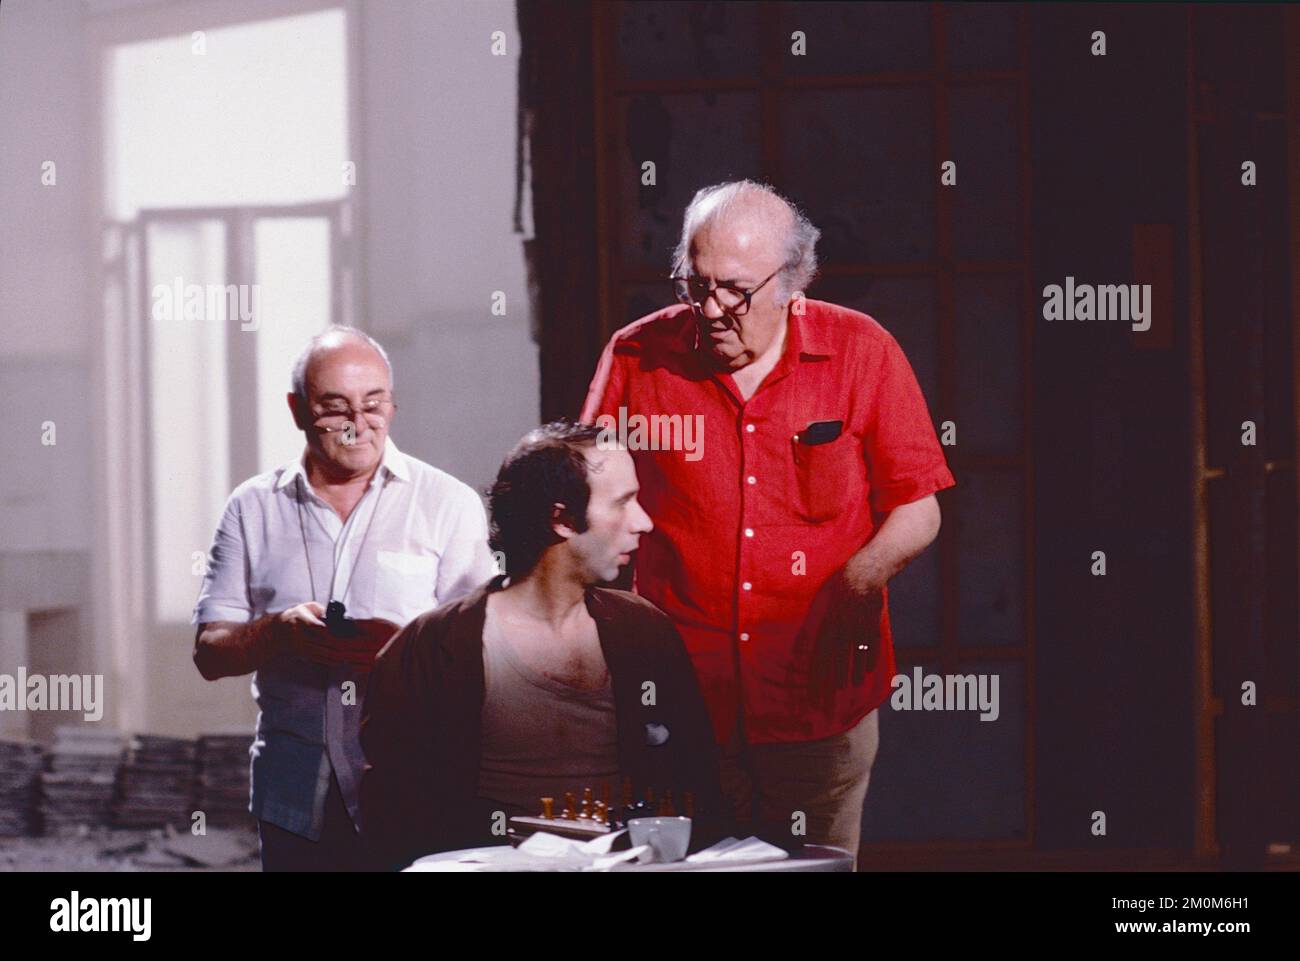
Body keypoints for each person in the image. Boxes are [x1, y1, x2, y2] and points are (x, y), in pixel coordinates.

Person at [579, 180, 955, 866]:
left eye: (734, 289)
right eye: (694, 286)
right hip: (682, 700)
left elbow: (918, 505)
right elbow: (587, 502)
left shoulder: (861, 352)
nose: (711, 310)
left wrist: (861, 576)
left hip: (818, 695)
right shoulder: (638, 357)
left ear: (792, 282)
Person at [192, 325, 495, 871]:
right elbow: (210, 654)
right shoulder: (252, 507)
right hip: (294, 797)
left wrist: (405, 652)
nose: (360, 423)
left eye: (374, 403)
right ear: (298, 409)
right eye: (337, 407)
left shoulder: (447, 503)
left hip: (414, 786)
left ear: (392, 404)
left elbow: (489, 655)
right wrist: (278, 633)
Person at [359, 421, 725, 871]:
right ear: (562, 519)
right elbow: (393, 817)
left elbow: (699, 787)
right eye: (623, 503)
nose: (644, 522)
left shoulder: (645, 633)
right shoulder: (433, 647)